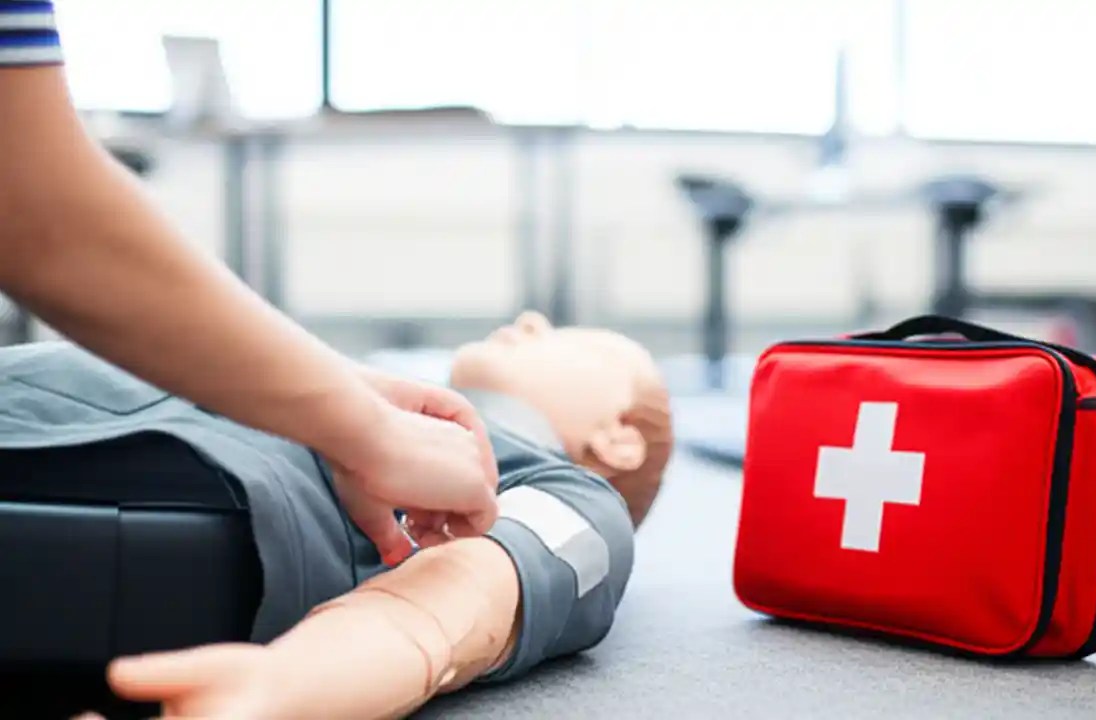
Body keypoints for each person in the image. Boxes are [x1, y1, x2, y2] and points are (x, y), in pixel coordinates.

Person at [0, 1, 497, 565]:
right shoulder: (425, 454)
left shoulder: (504, 477)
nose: (528, 324)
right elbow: (38, 213)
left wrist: (354, 408)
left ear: (619, 437)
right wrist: (359, 420)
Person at [0, 312, 672, 718]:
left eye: (568, 338)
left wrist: (284, 689)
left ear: (616, 439)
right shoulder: (350, 392)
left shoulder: (575, 503)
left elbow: (453, 605)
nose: (529, 319)